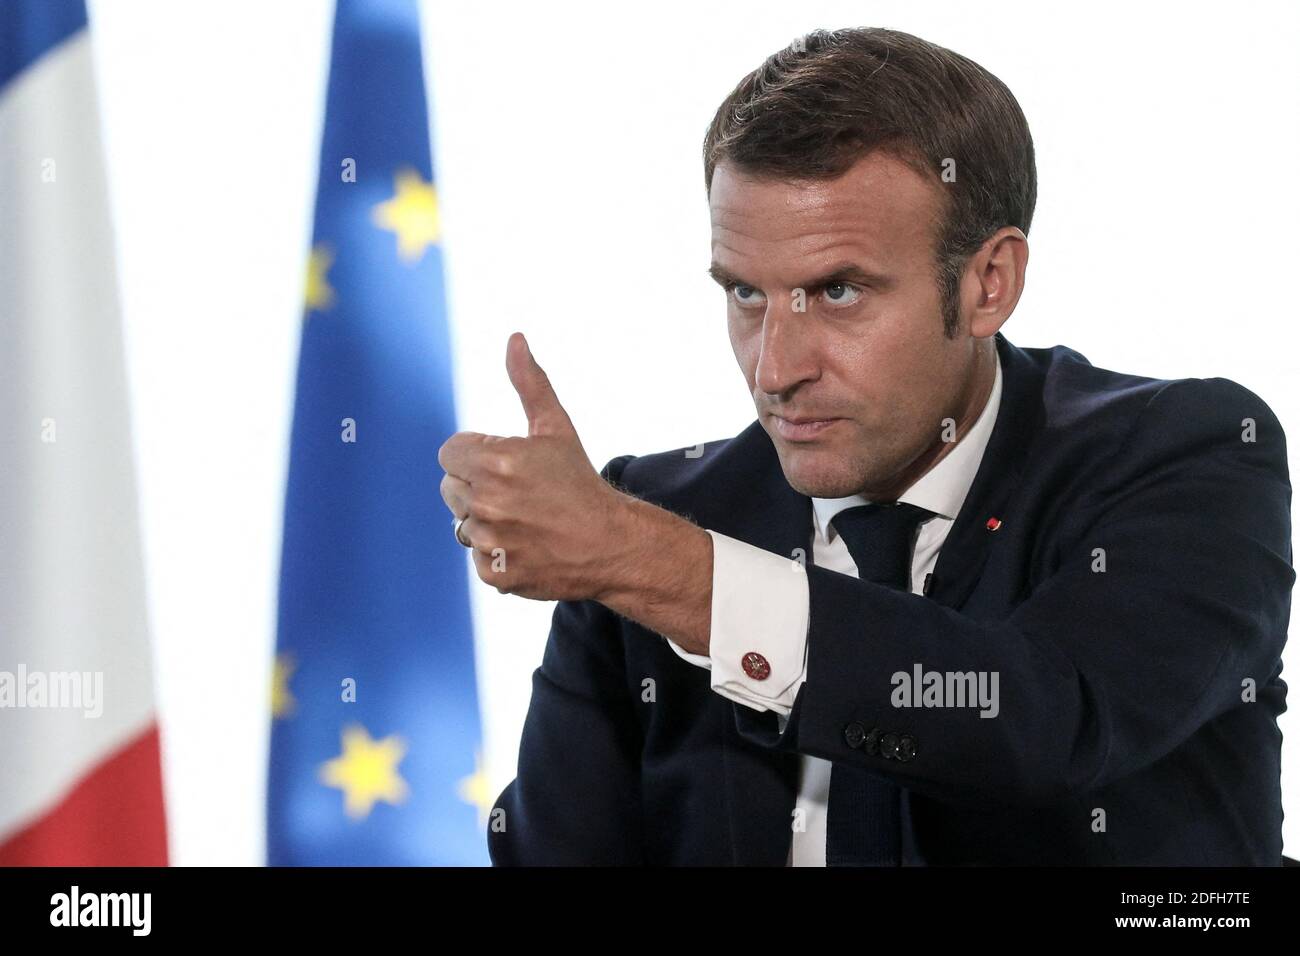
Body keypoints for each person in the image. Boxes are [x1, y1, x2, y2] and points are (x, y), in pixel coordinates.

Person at [438, 27, 1292, 865]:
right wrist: (635, 554)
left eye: (838, 291)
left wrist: (650, 562)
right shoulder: (661, 512)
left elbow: (1045, 723)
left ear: (989, 283)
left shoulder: (1191, 457)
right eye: (744, 293)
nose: (775, 368)